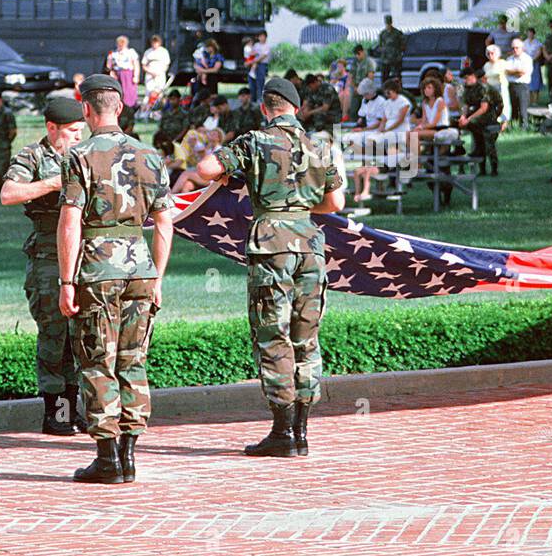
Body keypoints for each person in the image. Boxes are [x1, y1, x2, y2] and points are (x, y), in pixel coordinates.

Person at [195, 76, 346, 457]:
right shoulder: (320, 145)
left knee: (273, 334)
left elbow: (205, 169)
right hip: (311, 245)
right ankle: (302, 432)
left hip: (270, 245)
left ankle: (281, 431)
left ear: (266, 108)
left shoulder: (255, 141)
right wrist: (299, 207)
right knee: (305, 336)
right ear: (295, 109)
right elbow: (336, 202)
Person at [57, 74, 174, 483]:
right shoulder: (151, 156)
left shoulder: (79, 155)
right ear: (120, 107)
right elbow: (164, 223)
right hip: (140, 266)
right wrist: (157, 275)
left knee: (95, 360)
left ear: (86, 109)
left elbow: (70, 222)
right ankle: (129, 455)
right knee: (132, 358)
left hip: (96, 270)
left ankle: (107, 458)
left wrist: (66, 281)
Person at [2, 95, 88, 436]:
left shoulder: (85, 154)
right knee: (54, 335)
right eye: (71, 131)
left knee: (78, 338)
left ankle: (72, 409)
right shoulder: (33, 156)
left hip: (83, 255)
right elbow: (9, 194)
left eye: (82, 130)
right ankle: (56, 414)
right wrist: (55, 182)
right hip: (49, 257)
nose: (78, 137)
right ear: (52, 129)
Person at [458, 66, 501, 176]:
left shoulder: (483, 88)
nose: (465, 81)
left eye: (466, 78)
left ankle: (494, 169)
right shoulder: (467, 89)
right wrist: (463, 117)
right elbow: (465, 105)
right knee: (479, 141)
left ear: (473, 77)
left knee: (489, 144)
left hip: (490, 115)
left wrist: (469, 119)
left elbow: (484, 108)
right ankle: (481, 169)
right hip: (477, 117)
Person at [504, 37, 534, 129]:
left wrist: (512, 72)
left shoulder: (527, 59)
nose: (515, 50)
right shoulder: (509, 59)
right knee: (512, 107)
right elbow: (505, 72)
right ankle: (512, 126)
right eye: (513, 48)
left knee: (522, 108)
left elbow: (521, 73)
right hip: (511, 85)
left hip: (522, 86)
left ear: (522, 48)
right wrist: (515, 71)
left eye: (517, 47)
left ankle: (524, 127)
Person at [106, 35, 141, 110]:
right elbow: (109, 66)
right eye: (119, 43)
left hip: (128, 74)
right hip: (117, 74)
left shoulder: (131, 52)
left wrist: (136, 76)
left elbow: (136, 65)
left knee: (129, 92)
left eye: (123, 43)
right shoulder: (113, 53)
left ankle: (130, 107)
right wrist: (111, 73)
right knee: (119, 91)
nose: (121, 45)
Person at [347, 43, 376, 120]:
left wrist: (362, 88)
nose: (357, 56)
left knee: (365, 111)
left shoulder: (369, 62)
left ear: (363, 52)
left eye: (358, 54)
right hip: (356, 89)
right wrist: (355, 87)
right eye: (356, 54)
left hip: (366, 90)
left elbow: (370, 77)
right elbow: (351, 76)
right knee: (353, 110)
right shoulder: (355, 62)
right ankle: (352, 124)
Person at [142, 34, 171, 104]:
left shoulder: (164, 51)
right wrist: (151, 72)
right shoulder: (148, 52)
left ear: (159, 43)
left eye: (156, 42)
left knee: (160, 92)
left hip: (160, 75)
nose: (154, 44)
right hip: (150, 75)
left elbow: (167, 64)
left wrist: (159, 72)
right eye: (153, 42)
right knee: (149, 93)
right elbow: (143, 65)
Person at [193, 38, 223, 104]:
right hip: (201, 78)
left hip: (212, 78)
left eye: (209, 47)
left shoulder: (218, 56)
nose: (207, 49)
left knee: (212, 96)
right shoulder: (204, 55)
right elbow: (197, 64)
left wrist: (203, 71)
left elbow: (215, 69)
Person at [378, 15, 405, 84]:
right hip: (385, 59)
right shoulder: (382, 34)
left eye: (389, 23)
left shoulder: (397, 33)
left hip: (395, 59)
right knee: (384, 77)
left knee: (397, 77)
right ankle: (385, 90)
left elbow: (403, 46)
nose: (388, 25)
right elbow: (380, 46)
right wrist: (383, 51)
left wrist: (398, 53)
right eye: (387, 23)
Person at [246, 31, 270, 101]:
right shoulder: (256, 45)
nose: (262, 38)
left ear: (266, 37)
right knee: (252, 84)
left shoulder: (267, 46)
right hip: (253, 66)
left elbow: (262, 57)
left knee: (260, 84)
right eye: (260, 36)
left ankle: (260, 100)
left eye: (263, 36)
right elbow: (251, 53)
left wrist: (251, 62)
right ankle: (252, 99)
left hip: (262, 65)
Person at [524, 27, 544, 104]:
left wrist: (532, 60)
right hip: (526, 64)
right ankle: (529, 101)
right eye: (528, 33)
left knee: (536, 82)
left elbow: (539, 52)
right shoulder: (524, 43)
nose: (530, 34)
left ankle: (535, 101)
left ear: (534, 34)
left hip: (535, 63)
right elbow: (523, 52)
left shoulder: (537, 42)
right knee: (528, 82)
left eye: (531, 33)